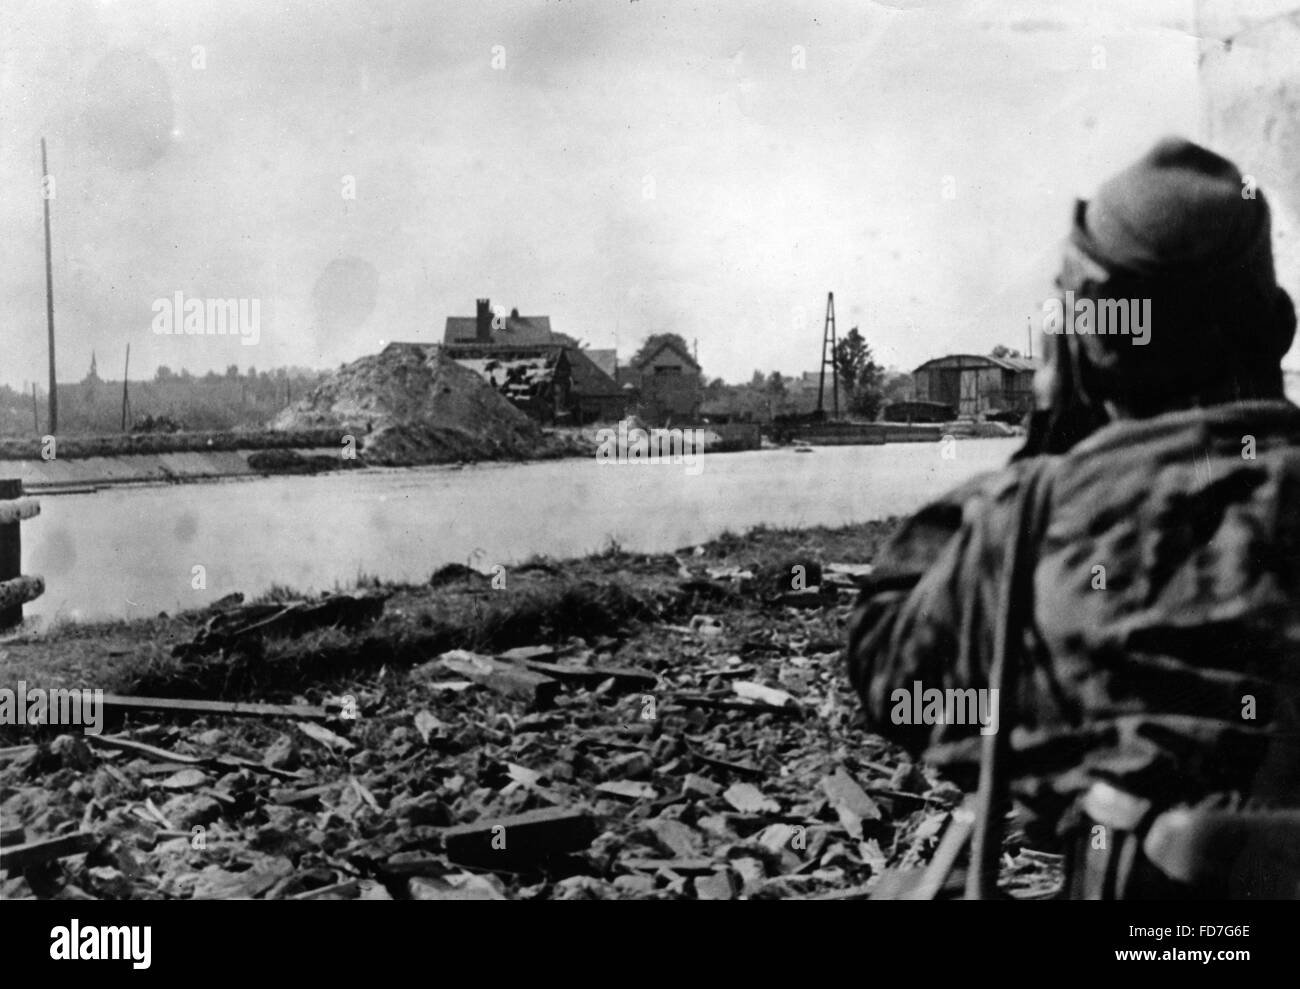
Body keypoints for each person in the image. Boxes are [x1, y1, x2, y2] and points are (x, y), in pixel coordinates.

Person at [846, 137, 1300, 898]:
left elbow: (890, 668)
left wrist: (1047, 439)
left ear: (1091, 343)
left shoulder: (1034, 531)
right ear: (1272, 320)